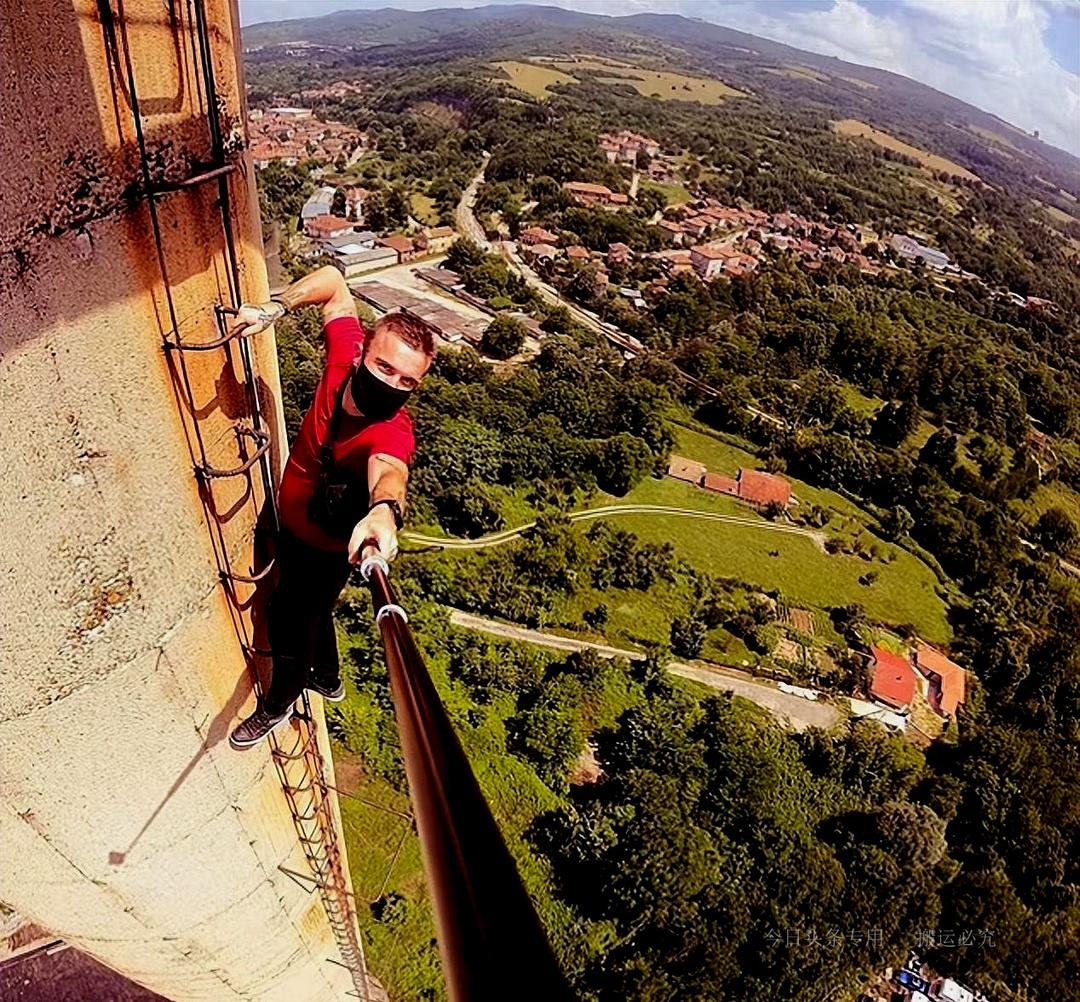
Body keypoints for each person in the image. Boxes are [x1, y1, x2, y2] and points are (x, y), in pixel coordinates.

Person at [229, 266, 436, 748]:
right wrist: (273, 310)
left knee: (290, 622)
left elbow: (390, 472)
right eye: (385, 367)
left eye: (407, 380)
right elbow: (334, 283)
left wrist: (385, 512)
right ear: (365, 351)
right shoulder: (344, 358)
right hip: (291, 523)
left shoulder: (391, 430)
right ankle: (329, 677)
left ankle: (278, 704)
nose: (392, 383)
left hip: (325, 550)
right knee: (318, 611)